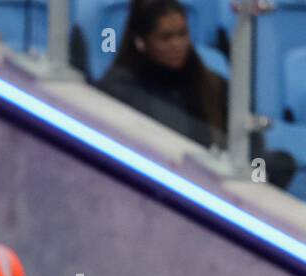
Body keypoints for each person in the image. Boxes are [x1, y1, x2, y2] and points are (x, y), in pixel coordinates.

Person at [97, 0, 295, 188]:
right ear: (141, 42)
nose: (177, 44)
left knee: (281, 162)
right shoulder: (120, 89)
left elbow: (252, 150)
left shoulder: (214, 85)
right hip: (167, 181)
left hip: (224, 181)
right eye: (166, 37)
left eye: (182, 34)